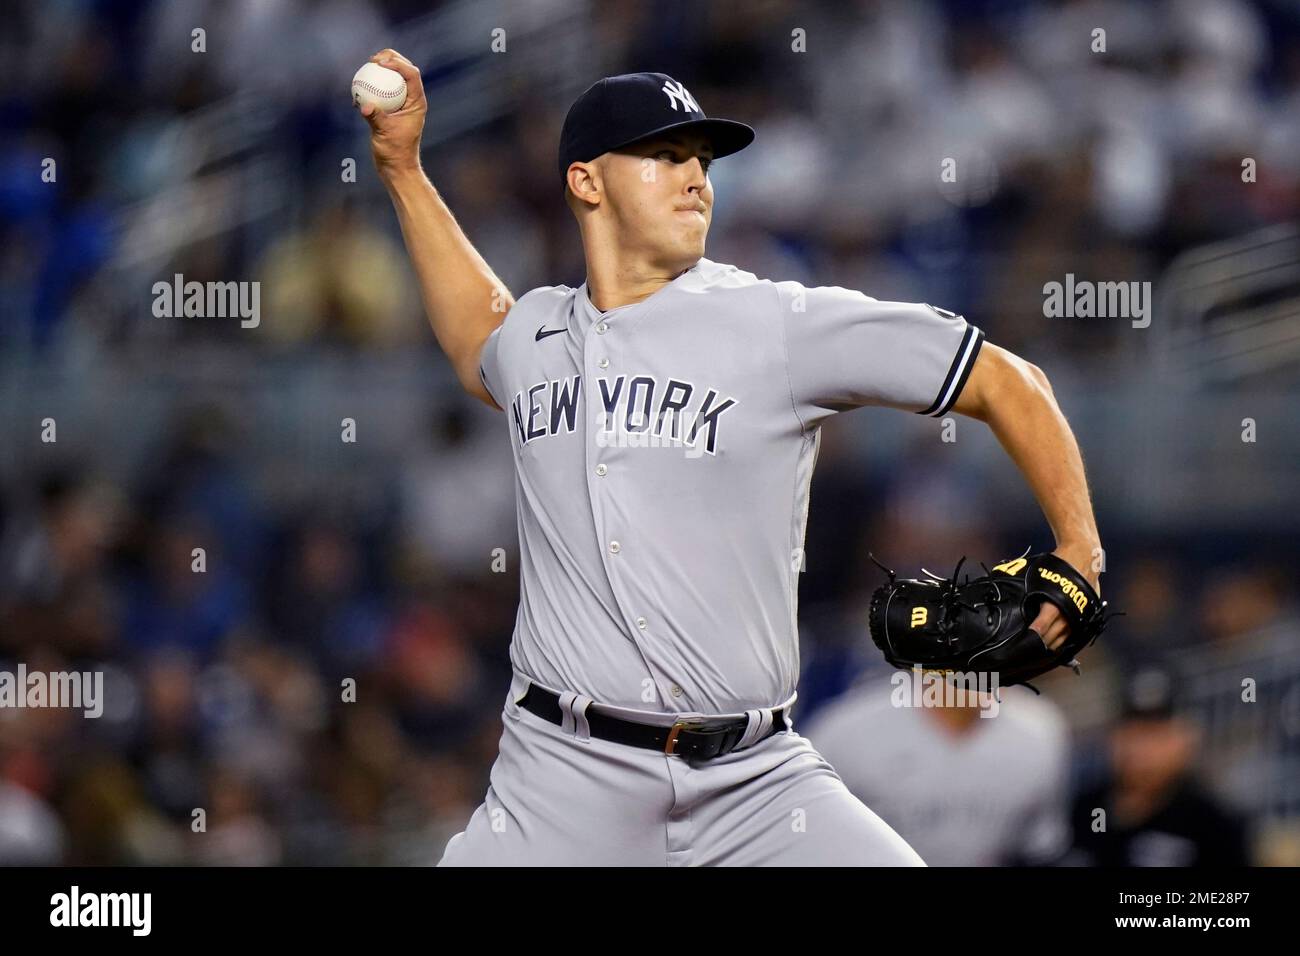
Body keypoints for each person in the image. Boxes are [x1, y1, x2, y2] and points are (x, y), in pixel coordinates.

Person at [358, 51, 1103, 866]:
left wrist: (1080, 548)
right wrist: (403, 170)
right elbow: (478, 339)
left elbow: (1006, 379)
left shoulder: (775, 322)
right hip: (561, 781)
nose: (695, 179)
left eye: (702, 160)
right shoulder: (538, 334)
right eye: (664, 156)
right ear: (586, 182)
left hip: (754, 781)